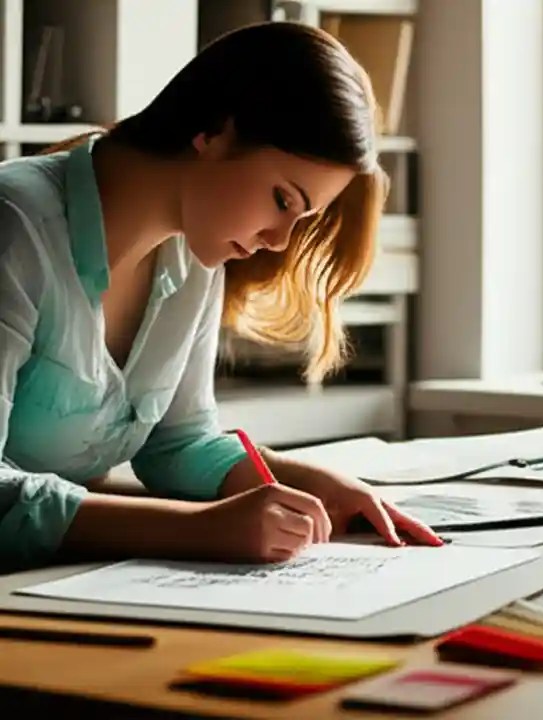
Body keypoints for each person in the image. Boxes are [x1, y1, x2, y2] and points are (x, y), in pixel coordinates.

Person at [0, 21, 441, 570]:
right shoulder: (14, 224)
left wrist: (309, 483)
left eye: (300, 219)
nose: (278, 241)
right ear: (214, 131)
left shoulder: (195, 250)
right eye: (283, 199)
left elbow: (177, 443)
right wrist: (195, 530)